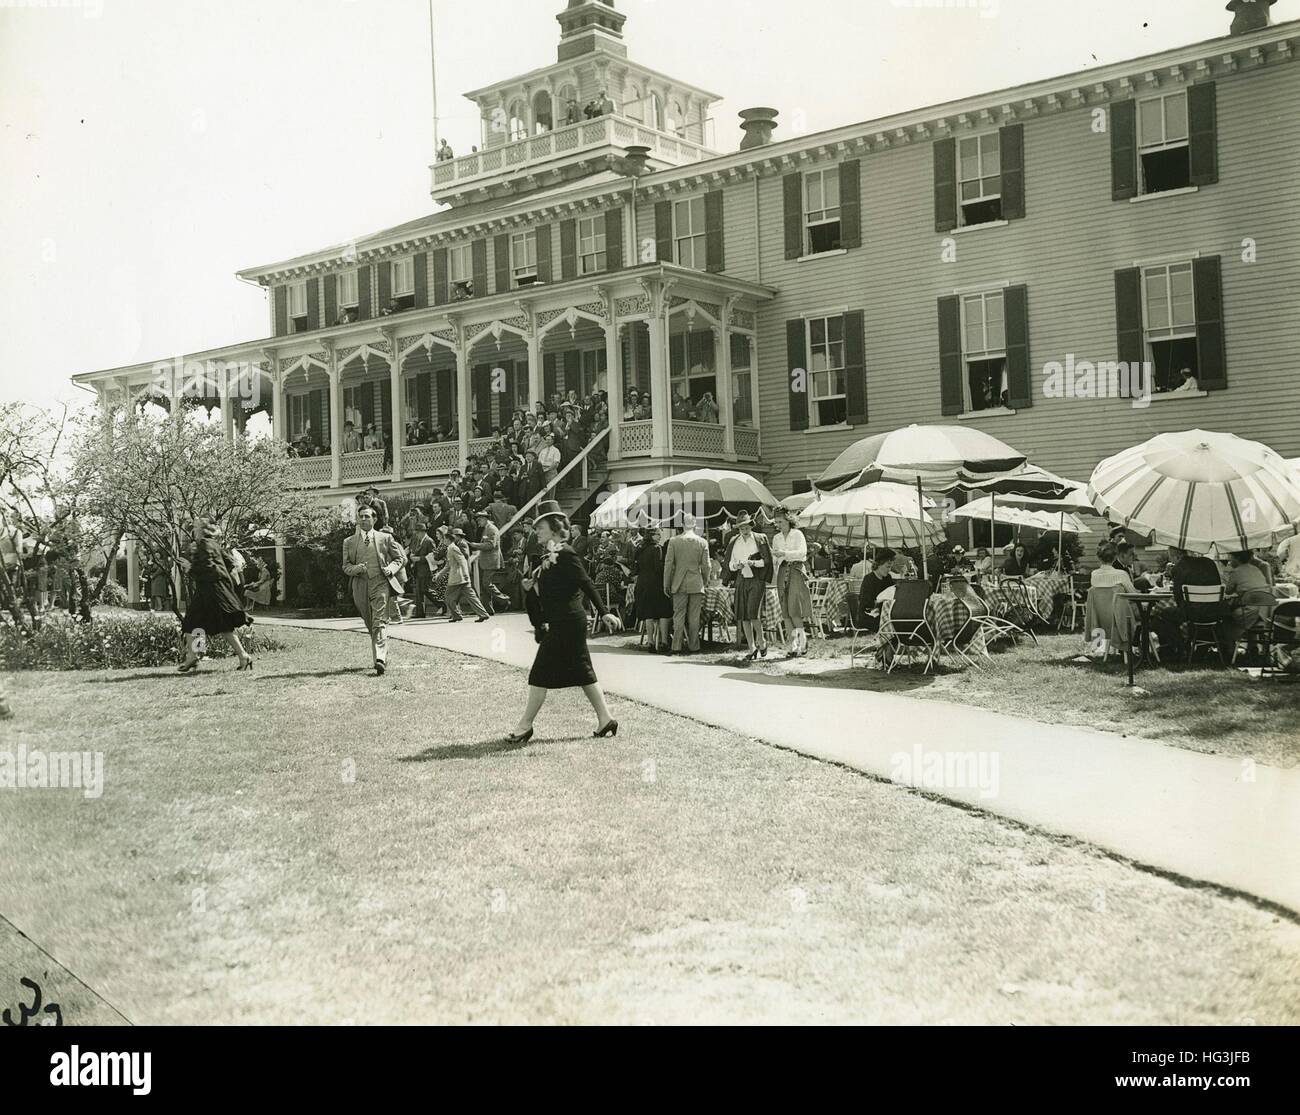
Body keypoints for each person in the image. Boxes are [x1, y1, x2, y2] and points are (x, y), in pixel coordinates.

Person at [507, 501, 623, 743]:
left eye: (540, 527)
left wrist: (604, 612)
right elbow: (550, 595)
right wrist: (531, 589)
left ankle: (525, 725)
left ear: (554, 528)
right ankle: (606, 719)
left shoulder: (566, 553)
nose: (536, 531)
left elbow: (586, 582)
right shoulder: (548, 557)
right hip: (563, 621)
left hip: (568, 623)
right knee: (584, 673)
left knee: (539, 673)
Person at [177, 517, 255, 674]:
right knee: (195, 623)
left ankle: (242, 656)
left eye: (197, 526)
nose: (194, 528)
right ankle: (194, 656)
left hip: (212, 590)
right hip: (211, 590)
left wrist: (189, 567)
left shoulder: (204, 544)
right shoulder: (214, 544)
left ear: (202, 530)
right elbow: (230, 562)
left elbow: (209, 569)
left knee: (209, 624)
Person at [342, 505, 408, 676]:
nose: (363, 519)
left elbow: (400, 558)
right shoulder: (349, 542)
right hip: (360, 585)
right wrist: (357, 568)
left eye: (367, 516)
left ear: (374, 519)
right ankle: (383, 651)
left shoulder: (385, 538)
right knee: (370, 621)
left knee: (379, 620)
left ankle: (379, 659)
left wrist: (391, 569)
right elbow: (346, 567)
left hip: (380, 583)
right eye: (361, 516)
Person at [723, 512, 773, 660]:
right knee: (743, 615)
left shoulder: (760, 539)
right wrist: (736, 565)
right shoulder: (734, 541)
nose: (744, 530)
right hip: (741, 578)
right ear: (738, 528)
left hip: (756, 578)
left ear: (751, 525)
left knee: (753, 613)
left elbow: (767, 561)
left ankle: (762, 642)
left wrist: (754, 563)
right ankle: (751, 648)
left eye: (746, 527)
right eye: (741, 528)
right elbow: (729, 564)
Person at [663, 513, 711, 655]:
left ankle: (676, 646)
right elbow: (706, 565)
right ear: (695, 525)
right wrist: (705, 579)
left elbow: (668, 564)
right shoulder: (702, 542)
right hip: (696, 582)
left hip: (678, 582)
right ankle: (694, 646)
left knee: (678, 615)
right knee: (694, 616)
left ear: (683, 525)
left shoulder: (674, 541)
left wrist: (666, 583)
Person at [772, 508, 813, 657]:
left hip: (795, 570)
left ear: (789, 521)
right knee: (786, 612)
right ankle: (793, 645)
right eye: (776, 522)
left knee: (794, 609)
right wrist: (776, 556)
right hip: (783, 571)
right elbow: (776, 559)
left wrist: (785, 553)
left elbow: (802, 553)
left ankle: (803, 643)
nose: (778, 525)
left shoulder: (797, 534)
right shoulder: (776, 538)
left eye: (781, 522)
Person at [1223, 550, 1277, 652]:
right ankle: (1252, 648)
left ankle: (1229, 651)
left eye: (1231, 558)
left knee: (1226, 619)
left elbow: (1228, 591)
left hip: (1250, 611)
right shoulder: (1256, 569)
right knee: (1241, 612)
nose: (1229, 561)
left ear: (1238, 558)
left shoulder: (1237, 571)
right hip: (1265, 614)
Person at [633, 527, 673, 652]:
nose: (660, 536)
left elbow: (635, 568)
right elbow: (658, 568)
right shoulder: (657, 549)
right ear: (651, 536)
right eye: (658, 534)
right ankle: (664, 641)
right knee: (664, 612)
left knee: (648, 613)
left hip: (642, 583)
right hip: (656, 583)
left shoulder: (640, 548)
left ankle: (650, 641)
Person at [443, 529, 491, 622]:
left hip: (458, 577)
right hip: (461, 577)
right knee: (471, 596)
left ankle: (457, 615)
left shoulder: (456, 547)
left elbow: (463, 560)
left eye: (455, 536)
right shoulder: (455, 546)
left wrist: (465, 574)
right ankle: (483, 614)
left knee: (449, 596)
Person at [471, 508, 512, 613]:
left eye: (479, 520)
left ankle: (504, 599)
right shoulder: (486, 528)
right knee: (485, 587)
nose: (478, 522)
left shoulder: (491, 529)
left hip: (491, 561)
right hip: (487, 561)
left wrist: (475, 545)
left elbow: (490, 545)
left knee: (486, 584)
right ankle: (488, 609)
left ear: (485, 519)